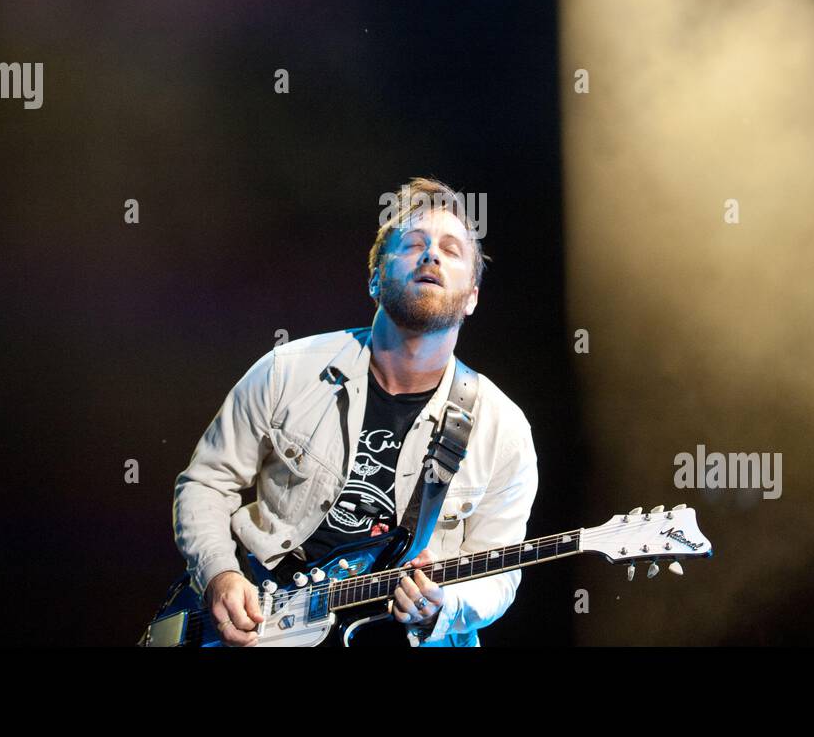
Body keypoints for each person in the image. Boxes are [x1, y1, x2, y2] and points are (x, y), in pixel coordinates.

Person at [172, 177, 539, 646]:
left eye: (451, 249)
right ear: (374, 278)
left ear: (471, 298)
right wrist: (220, 575)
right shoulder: (286, 371)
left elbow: (499, 573)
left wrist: (444, 608)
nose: (431, 256)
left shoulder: (502, 429)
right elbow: (205, 482)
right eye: (413, 244)